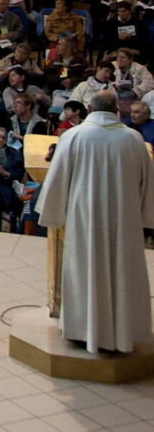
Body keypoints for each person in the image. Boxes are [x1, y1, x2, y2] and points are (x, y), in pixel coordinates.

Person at [37, 90, 154, 353]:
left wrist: (52, 212)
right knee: (122, 270)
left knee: (84, 270)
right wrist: (146, 218)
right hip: (125, 219)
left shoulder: (74, 136)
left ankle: (83, 331)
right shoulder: (133, 139)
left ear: (89, 107)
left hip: (84, 218)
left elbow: (57, 180)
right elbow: (148, 183)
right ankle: (122, 333)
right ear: (117, 110)